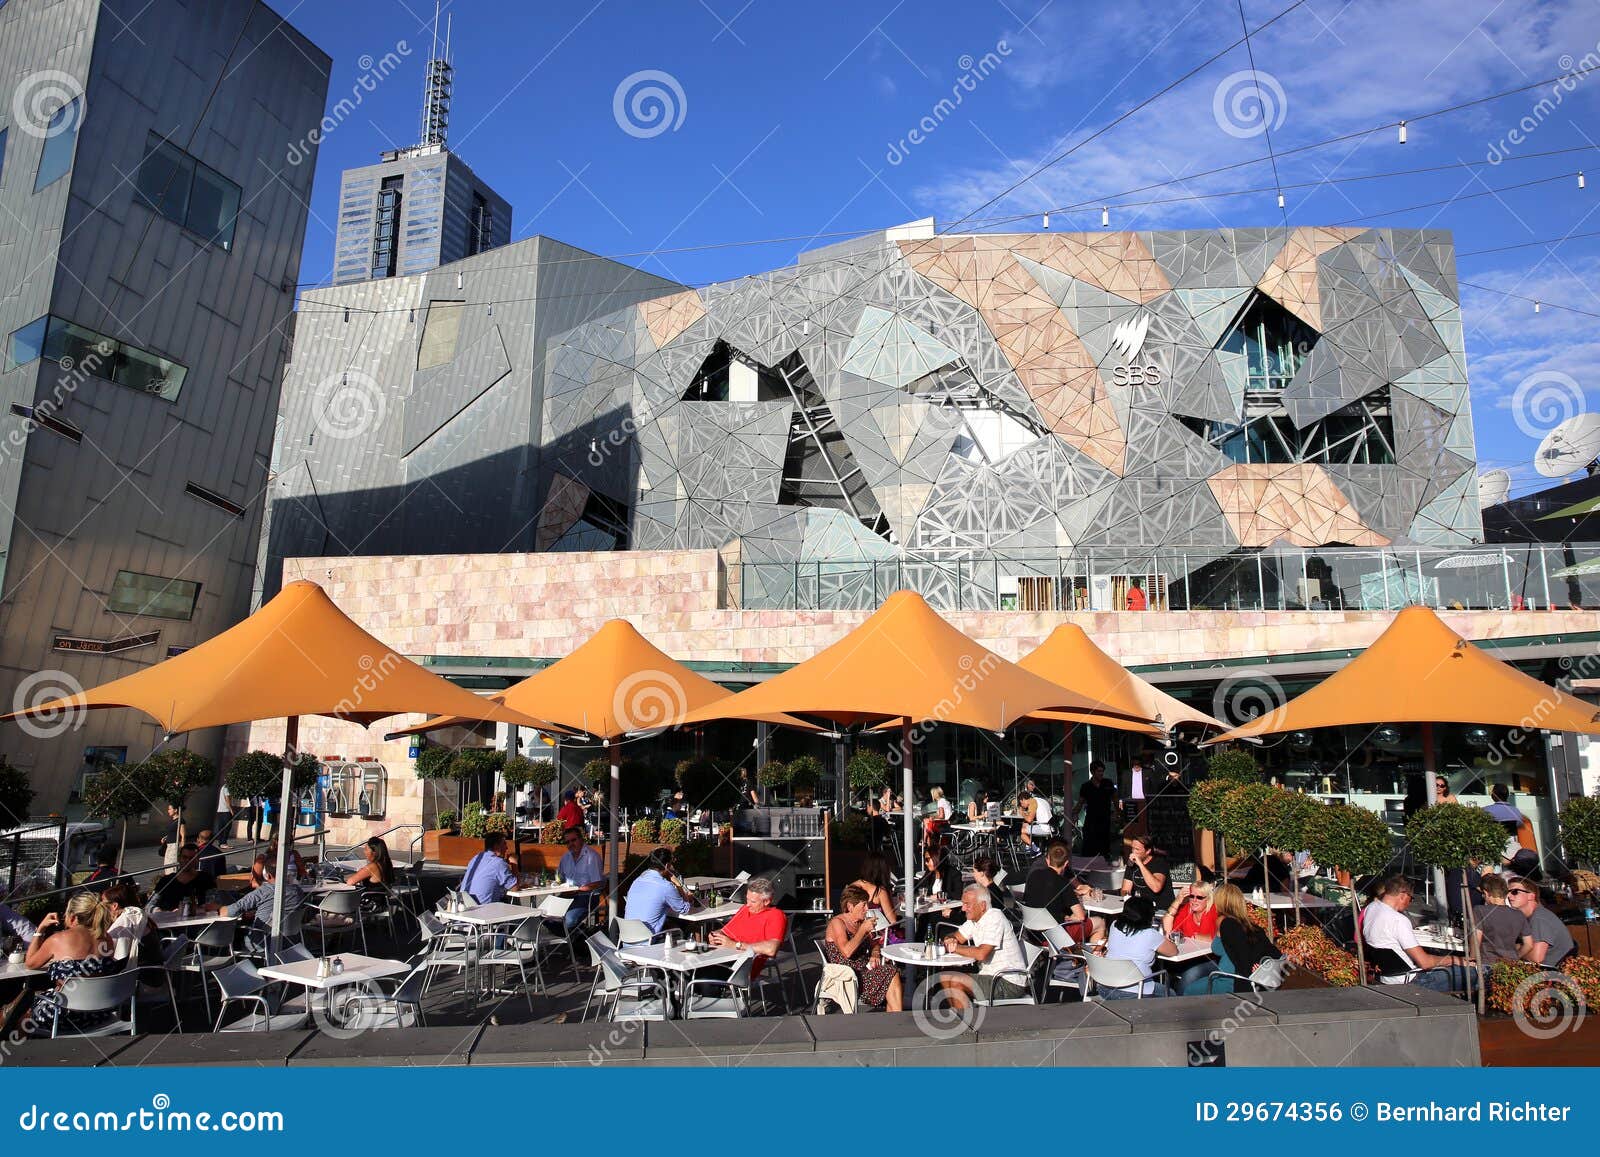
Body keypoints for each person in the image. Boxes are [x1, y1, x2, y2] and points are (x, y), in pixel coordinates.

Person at [18, 893, 118, 1036]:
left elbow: (30, 963)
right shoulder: (107, 939)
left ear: (73, 917)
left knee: (19, 1012)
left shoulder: (58, 939)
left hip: (63, 1016)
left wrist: (40, 928)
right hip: (99, 1014)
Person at [1361, 876, 1466, 991]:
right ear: (1403, 895)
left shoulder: (1371, 908)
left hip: (1384, 977)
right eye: (1411, 898)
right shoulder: (1398, 920)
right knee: (1472, 972)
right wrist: (1454, 959)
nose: (1409, 903)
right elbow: (1425, 963)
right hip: (1410, 980)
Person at [941, 883, 1031, 1008]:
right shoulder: (974, 919)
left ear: (982, 905)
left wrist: (955, 947)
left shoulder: (994, 917)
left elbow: (981, 954)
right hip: (989, 976)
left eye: (967, 904)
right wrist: (949, 939)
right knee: (945, 976)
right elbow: (957, 936)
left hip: (1008, 981)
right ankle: (959, 1016)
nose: (963, 908)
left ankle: (967, 1019)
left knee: (956, 982)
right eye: (963, 904)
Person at [824, 884, 903, 1011]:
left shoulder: (860, 922)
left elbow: (875, 944)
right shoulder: (837, 923)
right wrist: (862, 930)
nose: (867, 909)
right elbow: (847, 952)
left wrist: (875, 954)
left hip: (863, 970)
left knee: (892, 972)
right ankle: (896, 1018)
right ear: (850, 906)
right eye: (863, 905)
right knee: (891, 974)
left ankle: (895, 1017)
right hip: (847, 976)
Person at [1206, 883, 1281, 994]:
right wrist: (1261, 965)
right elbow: (1275, 953)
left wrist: (1255, 968)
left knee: (1188, 988)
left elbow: (1219, 950)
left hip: (1234, 981)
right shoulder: (1250, 926)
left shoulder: (1227, 924)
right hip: (1260, 981)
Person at [1097, 894, 1177, 997]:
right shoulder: (1150, 934)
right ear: (1148, 916)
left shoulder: (1115, 925)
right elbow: (1173, 951)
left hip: (1105, 988)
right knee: (1171, 994)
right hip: (1134, 992)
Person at [708, 876, 787, 977]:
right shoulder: (745, 909)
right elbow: (725, 930)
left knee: (697, 974)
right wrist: (716, 935)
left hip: (741, 967)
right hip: (725, 957)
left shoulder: (775, 915)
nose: (748, 904)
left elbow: (771, 949)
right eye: (747, 899)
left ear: (766, 901)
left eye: (753, 902)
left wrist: (735, 945)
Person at [224, 856, 304, 950]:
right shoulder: (298, 891)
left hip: (263, 943)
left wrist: (217, 909)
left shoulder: (263, 891)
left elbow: (231, 911)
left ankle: (227, 955)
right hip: (291, 942)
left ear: (267, 875)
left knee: (235, 932)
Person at [1163, 874, 1221, 993]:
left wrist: (1199, 937)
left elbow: (1220, 939)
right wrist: (1177, 901)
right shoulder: (1187, 910)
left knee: (1190, 975)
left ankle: (1180, 1001)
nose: (1194, 900)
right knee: (1165, 969)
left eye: (1199, 897)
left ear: (1208, 899)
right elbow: (1168, 930)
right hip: (1188, 957)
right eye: (1191, 896)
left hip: (1212, 959)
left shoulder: (1214, 911)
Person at [1506, 876, 1576, 967]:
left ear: (1531, 896)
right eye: (1507, 892)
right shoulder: (1531, 917)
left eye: (1515, 892)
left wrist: (1516, 949)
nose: (1508, 896)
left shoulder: (1539, 918)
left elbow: (1536, 958)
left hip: (1549, 972)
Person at [624, 848, 693, 935]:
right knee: (685, 928)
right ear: (667, 865)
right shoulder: (665, 886)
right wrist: (678, 884)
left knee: (670, 924)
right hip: (648, 939)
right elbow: (685, 909)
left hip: (627, 937)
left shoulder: (637, 881)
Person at [555, 826, 605, 933]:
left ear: (581, 839)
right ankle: (572, 935)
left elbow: (597, 883)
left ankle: (573, 936)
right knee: (545, 914)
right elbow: (559, 878)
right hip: (567, 895)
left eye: (573, 840)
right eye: (567, 842)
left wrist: (578, 890)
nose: (571, 844)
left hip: (586, 896)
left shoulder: (591, 856)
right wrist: (557, 883)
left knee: (569, 920)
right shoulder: (565, 857)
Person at [1472, 874, 1528, 967]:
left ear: (1486, 893)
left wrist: (1472, 959)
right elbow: (1529, 944)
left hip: (1487, 964)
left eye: (1483, 894)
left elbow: (1476, 939)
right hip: (1510, 967)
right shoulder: (1519, 914)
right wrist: (1514, 959)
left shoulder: (1479, 910)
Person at [150, 843, 216, 910]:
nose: (187, 861)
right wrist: (158, 911)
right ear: (179, 858)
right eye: (184, 857)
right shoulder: (166, 880)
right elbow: (149, 906)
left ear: (197, 860)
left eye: (192, 858)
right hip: (168, 915)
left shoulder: (206, 879)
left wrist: (200, 908)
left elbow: (214, 902)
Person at [459, 833, 520, 906]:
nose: (507, 848)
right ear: (496, 846)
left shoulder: (477, 858)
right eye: (504, 844)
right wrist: (514, 863)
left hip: (463, 904)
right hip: (481, 908)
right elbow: (514, 888)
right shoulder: (499, 863)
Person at [1074, 762, 1118, 859]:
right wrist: (1075, 813)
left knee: (1104, 840)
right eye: (1099, 771)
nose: (1101, 773)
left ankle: (1104, 859)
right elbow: (1080, 802)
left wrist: (1117, 812)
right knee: (1089, 839)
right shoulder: (1086, 786)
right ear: (1092, 772)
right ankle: (1088, 861)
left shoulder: (1108, 783)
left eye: (1102, 771)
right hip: (1091, 817)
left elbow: (1115, 798)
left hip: (1105, 817)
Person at [1120, 835, 1174, 908]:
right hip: (1140, 908)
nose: (1133, 852)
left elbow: (1156, 888)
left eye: (1137, 849)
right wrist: (1127, 897)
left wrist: (1140, 864)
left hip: (1160, 908)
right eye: (1132, 848)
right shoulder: (1131, 864)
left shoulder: (1159, 863)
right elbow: (1125, 889)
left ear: (1148, 851)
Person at [851, 852, 901, 928]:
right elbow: (892, 920)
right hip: (877, 932)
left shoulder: (852, 887)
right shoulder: (880, 891)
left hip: (855, 930)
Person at [102, 883, 149, 964]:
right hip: (153, 963)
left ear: (114, 906)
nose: (101, 909)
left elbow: (108, 952)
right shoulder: (139, 915)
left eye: (103, 904)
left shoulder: (124, 921)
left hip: (141, 968)